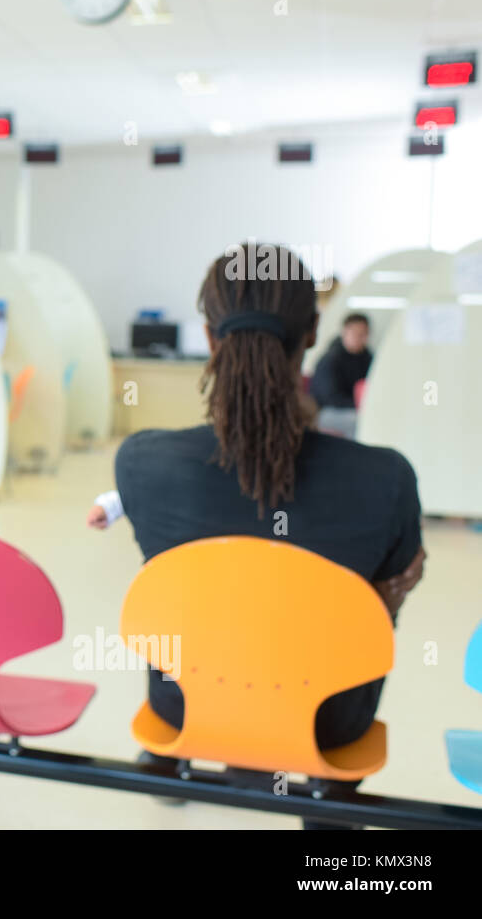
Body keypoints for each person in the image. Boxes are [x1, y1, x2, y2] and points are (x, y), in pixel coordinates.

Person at [113, 243, 425, 826]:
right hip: (327, 719)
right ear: (311, 333)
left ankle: (170, 752)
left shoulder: (141, 462)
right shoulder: (386, 478)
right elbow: (389, 595)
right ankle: (331, 802)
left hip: (185, 705)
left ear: (208, 338)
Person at [309, 312, 372, 437]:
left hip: (355, 407)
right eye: (356, 333)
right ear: (344, 332)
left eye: (364, 334)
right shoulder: (330, 359)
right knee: (358, 421)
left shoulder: (367, 357)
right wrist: (359, 406)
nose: (360, 338)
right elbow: (331, 398)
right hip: (325, 412)